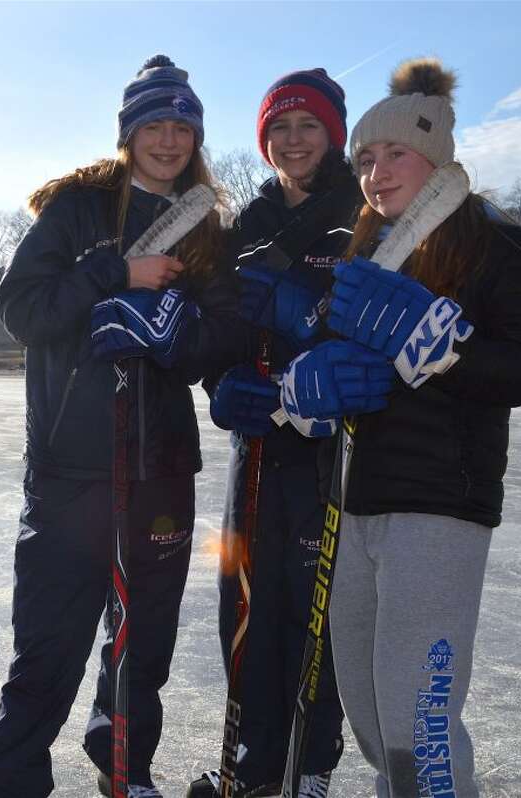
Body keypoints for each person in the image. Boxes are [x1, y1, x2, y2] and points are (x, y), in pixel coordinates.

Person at [0, 55, 245, 798]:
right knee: (50, 641)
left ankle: (123, 760)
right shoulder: (78, 209)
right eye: (154, 123)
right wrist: (114, 277)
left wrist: (172, 334)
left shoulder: (204, 226)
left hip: (159, 464)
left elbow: (218, 338)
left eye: (181, 125)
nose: (168, 139)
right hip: (72, 466)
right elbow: (23, 311)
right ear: (128, 132)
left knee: (145, 638)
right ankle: (12, 779)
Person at [280, 58, 521, 797]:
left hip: (438, 506)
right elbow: (323, 368)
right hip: (356, 503)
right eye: (364, 159)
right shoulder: (369, 250)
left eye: (392, 152)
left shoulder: (497, 240)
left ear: (434, 152)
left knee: (418, 722)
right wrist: (307, 390)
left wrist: (443, 347)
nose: (375, 172)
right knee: (372, 716)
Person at [191, 68, 360, 798]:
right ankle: (254, 769)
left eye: (308, 126)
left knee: (312, 615)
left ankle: (311, 769)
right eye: (279, 129)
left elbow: (373, 326)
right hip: (256, 449)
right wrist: (221, 387)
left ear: (333, 135)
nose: (293, 141)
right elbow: (219, 331)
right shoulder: (246, 227)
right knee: (249, 605)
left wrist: (307, 316)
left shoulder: (361, 211)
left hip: (331, 449)